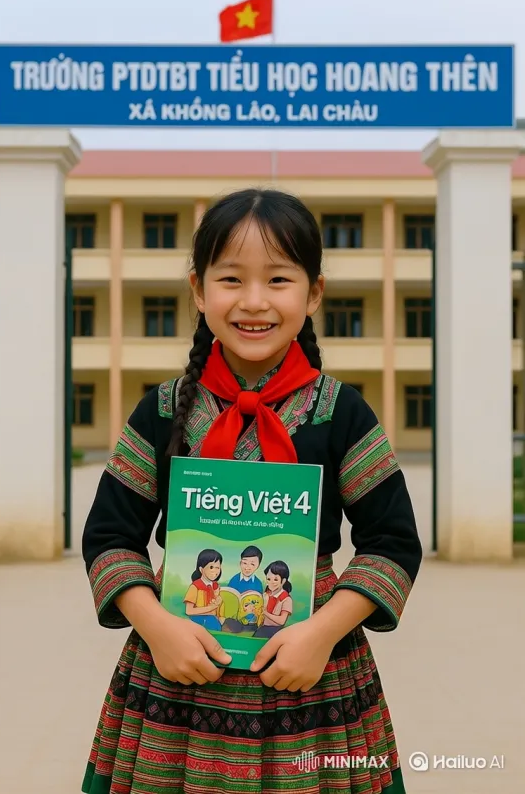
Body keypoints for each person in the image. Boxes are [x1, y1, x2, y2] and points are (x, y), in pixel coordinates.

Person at [81, 187, 422, 794]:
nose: (255, 301)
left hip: (310, 677)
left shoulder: (342, 413)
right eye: (231, 279)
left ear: (314, 293)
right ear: (198, 290)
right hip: (177, 681)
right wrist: (158, 627)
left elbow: (392, 545)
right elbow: (109, 537)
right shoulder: (162, 410)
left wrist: (320, 633)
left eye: (279, 279)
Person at [183, 549, 225, 630]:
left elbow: (219, 605)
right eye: (211, 567)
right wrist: (211, 608)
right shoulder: (195, 587)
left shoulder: (216, 586)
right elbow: (189, 611)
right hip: (199, 619)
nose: (215, 571)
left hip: (214, 618)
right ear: (201, 569)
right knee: (213, 624)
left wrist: (220, 614)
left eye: (217, 568)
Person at [253, 560, 293, 639]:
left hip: (276, 630)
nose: (271, 582)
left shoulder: (286, 599)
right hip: (263, 626)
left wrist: (265, 613)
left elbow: (281, 621)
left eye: (275, 579)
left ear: (283, 581)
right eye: (268, 579)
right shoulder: (265, 595)